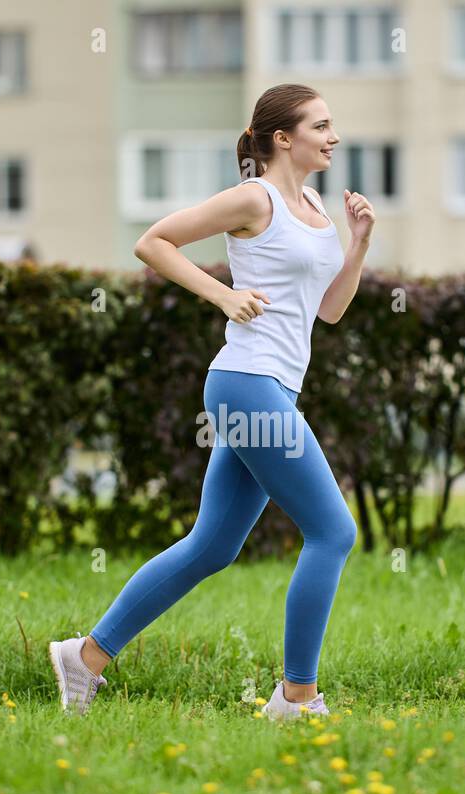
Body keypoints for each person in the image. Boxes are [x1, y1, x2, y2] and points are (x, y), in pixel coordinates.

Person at [48, 83, 376, 719]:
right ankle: (296, 697)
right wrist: (224, 297)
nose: (333, 136)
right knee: (333, 532)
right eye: (321, 125)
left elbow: (328, 311)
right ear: (284, 138)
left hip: (271, 386)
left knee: (212, 547)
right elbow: (154, 242)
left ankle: (84, 659)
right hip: (246, 384)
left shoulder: (314, 206)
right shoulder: (255, 198)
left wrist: (358, 243)